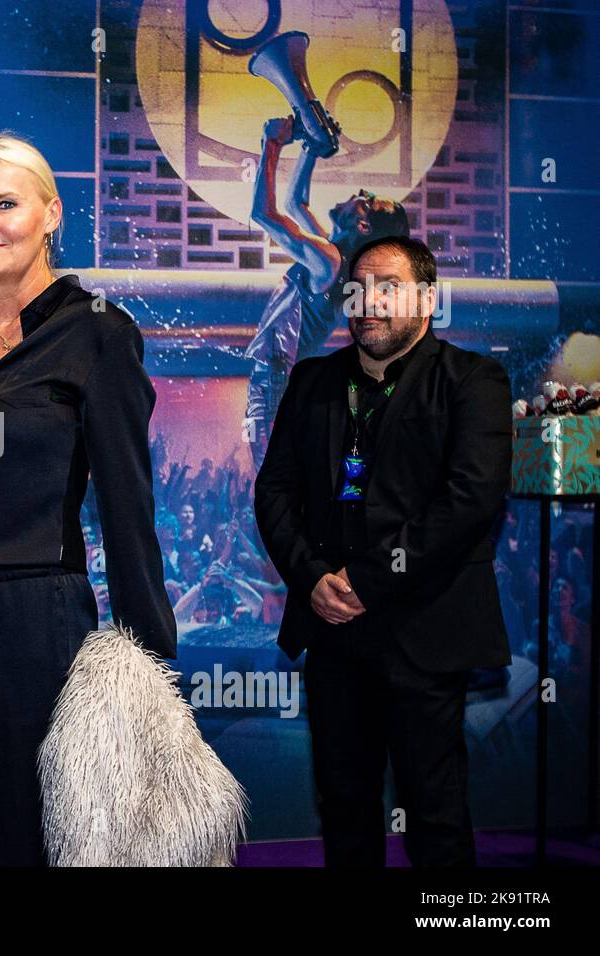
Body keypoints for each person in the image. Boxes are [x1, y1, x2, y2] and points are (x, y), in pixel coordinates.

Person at [0, 132, 177, 866]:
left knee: (30, 845)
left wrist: (152, 674)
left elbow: (129, 511)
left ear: (51, 213)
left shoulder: (97, 332)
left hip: (31, 630)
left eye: (5, 203)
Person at [254, 235, 512, 866]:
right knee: (343, 808)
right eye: (359, 286)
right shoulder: (314, 381)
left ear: (427, 298)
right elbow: (275, 492)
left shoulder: (471, 380)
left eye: (388, 286)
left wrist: (366, 581)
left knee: (435, 814)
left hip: (425, 633)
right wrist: (312, 579)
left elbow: (471, 500)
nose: (368, 301)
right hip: (333, 636)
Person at [245, 114, 411, 470]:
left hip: (275, 382)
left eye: (366, 200)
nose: (358, 194)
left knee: (271, 489)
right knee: (277, 489)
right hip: (280, 381)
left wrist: (271, 144)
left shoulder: (329, 261)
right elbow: (295, 206)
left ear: (362, 224)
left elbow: (264, 214)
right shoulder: (336, 257)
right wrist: (310, 147)